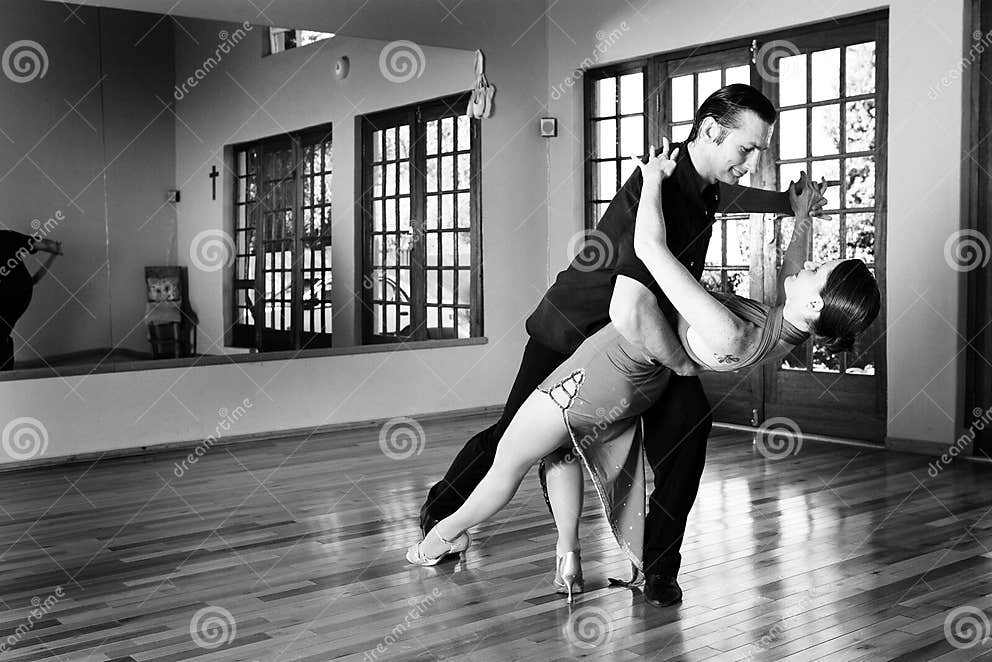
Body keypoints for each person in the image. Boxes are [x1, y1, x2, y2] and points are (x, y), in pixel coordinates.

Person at [407, 147, 880, 606]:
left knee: (523, 455)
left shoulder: (731, 323)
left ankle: (446, 539)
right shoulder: (786, 325)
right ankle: (550, 551)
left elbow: (641, 276)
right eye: (748, 148)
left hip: (616, 362)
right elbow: (792, 267)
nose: (752, 162)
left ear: (816, 305)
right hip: (601, 348)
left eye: (820, 270)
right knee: (544, 448)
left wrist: (649, 179)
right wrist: (796, 214)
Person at [0, 230, 62, 371]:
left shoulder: (7, 237)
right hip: (20, 293)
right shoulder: (8, 236)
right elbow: (47, 245)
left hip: (17, 293)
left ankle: (5, 372)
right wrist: (55, 248)